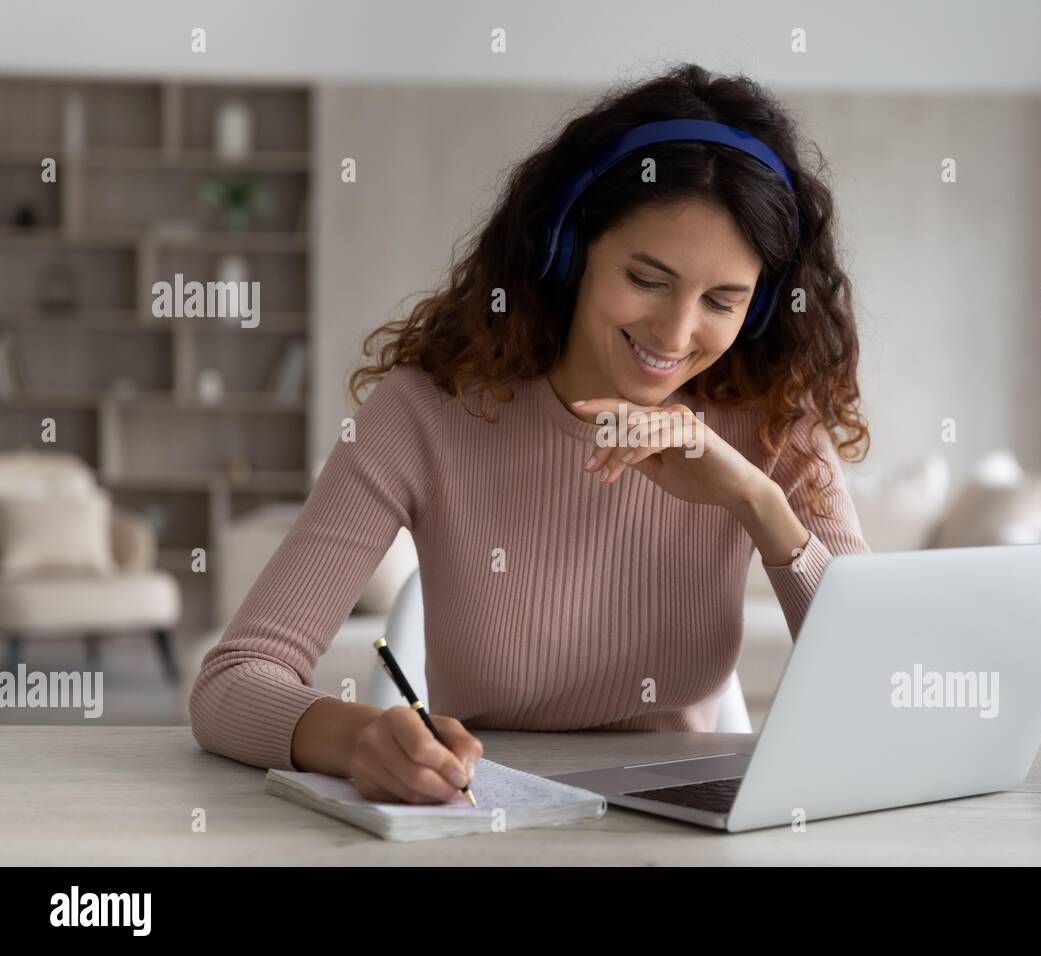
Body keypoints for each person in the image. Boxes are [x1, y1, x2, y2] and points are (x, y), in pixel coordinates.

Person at [189, 62, 870, 805]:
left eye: (722, 299)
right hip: (482, 823)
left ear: (761, 306)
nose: (676, 333)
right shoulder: (424, 415)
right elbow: (231, 683)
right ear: (568, 252)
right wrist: (359, 739)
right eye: (646, 279)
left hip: (684, 835)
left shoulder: (776, 427)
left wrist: (754, 500)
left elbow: (883, 695)